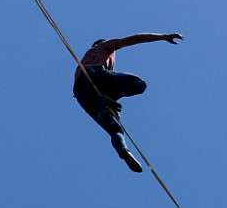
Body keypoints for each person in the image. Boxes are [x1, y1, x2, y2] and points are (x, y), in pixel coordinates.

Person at [73, 33, 183, 172]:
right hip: (94, 75)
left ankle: (124, 151)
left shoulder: (85, 60)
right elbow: (135, 39)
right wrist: (164, 37)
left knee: (116, 130)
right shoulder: (103, 46)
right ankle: (107, 99)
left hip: (83, 96)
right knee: (139, 84)